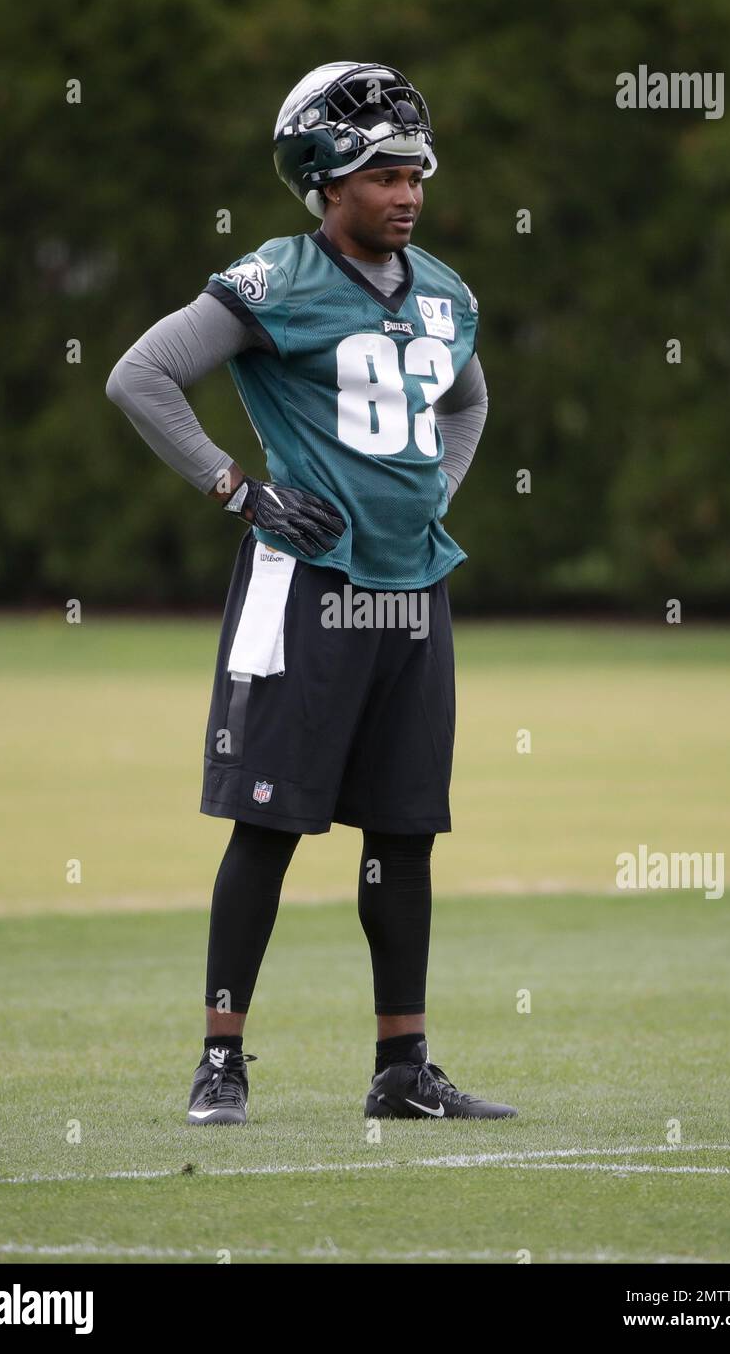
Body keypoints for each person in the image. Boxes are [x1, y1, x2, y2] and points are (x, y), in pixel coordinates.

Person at [106, 60, 516, 1124]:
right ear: (326, 180)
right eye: (383, 171)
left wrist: (430, 497)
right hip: (305, 590)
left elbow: (465, 406)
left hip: (411, 589)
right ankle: (220, 1062)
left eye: (415, 169)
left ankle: (401, 1067)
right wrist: (236, 489)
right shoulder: (275, 279)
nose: (407, 191)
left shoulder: (442, 289)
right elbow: (139, 375)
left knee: (404, 832)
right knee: (268, 824)